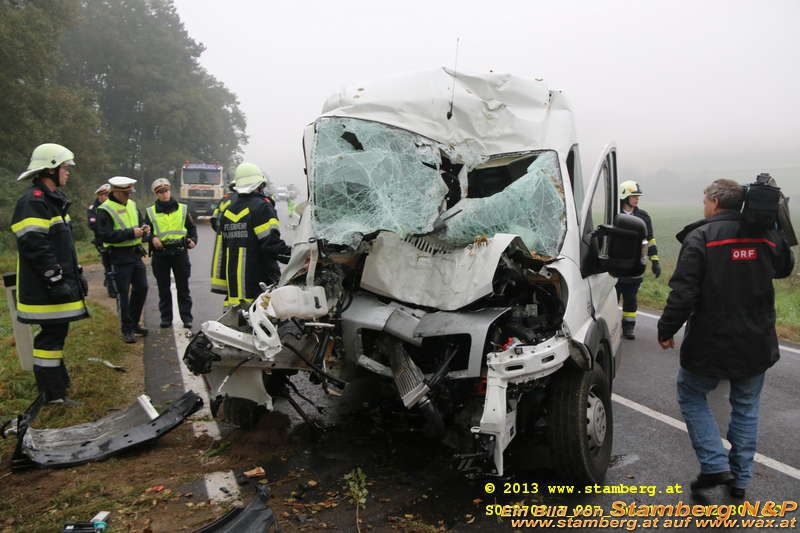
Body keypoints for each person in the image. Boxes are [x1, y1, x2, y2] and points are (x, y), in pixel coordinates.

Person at [657, 179, 794, 498]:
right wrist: (777, 228)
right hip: (756, 342)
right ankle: (740, 480)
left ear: (716, 203)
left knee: (691, 394)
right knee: (746, 407)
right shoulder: (765, 236)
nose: (703, 205)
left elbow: (684, 292)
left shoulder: (701, 236)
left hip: (709, 342)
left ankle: (714, 463)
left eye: (705, 200)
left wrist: (666, 329)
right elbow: (785, 268)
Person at [11, 143, 89, 404]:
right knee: (50, 338)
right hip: (44, 288)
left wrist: (76, 275)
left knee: (56, 335)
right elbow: (35, 246)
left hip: (53, 284)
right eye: (65, 168)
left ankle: (58, 387)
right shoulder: (33, 201)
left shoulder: (51, 201)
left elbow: (61, 248)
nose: (69, 173)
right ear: (51, 169)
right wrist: (55, 279)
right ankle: (52, 395)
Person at [220, 163, 290, 307]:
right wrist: (295, 255)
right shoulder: (262, 207)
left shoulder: (228, 212)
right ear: (260, 185)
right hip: (259, 285)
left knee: (237, 325)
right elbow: (270, 245)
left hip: (235, 287)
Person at [95, 176, 150, 343]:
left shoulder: (132, 204)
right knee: (123, 293)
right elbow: (105, 235)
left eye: (130, 192)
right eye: (126, 193)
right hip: (118, 255)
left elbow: (139, 222)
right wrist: (131, 233)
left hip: (135, 254)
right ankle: (126, 329)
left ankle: (133, 323)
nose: (129, 196)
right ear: (116, 192)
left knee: (142, 288)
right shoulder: (105, 209)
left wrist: (144, 228)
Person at [144, 178, 197, 329]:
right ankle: (166, 318)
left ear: (170, 190)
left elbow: (192, 228)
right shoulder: (150, 212)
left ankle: (187, 318)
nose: (164, 194)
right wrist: (152, 238)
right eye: (160, 192)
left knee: (183, 288)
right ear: (156, 194)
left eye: (166, 190)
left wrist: (193, 240)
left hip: (180, 253)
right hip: (161, 255)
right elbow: (145, 232)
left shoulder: (183, 209)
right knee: (163, 288)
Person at [616, 180, 661, 339]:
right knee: (611, 298)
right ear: (624, 196)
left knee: (630, 298)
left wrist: (655, 260)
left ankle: (628, 327)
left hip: (635, 264)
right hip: (615, 263)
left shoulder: (643, 217)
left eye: (637, 197)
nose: (637, 199)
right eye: (634, 196)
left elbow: (650, 240)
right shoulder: (614, 214)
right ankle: (611, 326)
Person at [87, 183, 116, 298]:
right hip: (101, 241)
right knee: (108, 264)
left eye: (108, 195)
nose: (106, 197)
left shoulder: (113, 205)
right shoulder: (93, 208)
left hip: (114, 239)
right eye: (104, 195)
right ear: (99, 196)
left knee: (115, 263)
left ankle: (114, 283)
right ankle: (111, 288)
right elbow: (92, 224)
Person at [209, 184, 237, 295]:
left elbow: (214, 219)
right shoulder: (247, 200)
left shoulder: (225, 199)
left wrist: (221, 232)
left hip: (222, 239)